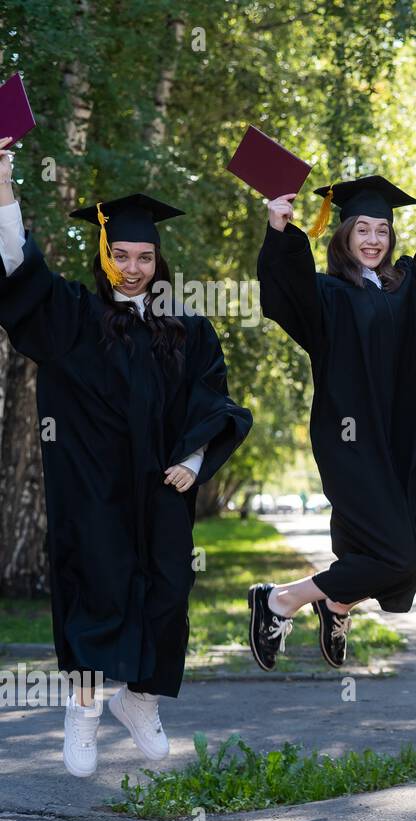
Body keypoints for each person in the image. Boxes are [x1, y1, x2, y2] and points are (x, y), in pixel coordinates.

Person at [0, 139, 252, 777]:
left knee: (169, 590)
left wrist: (195, 459)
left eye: (144, 255)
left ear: (158, 257)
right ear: (104, 256)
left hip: (162, 489)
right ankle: (84, 707)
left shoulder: (186, 328)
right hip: (95, 490)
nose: (133, 267)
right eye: (121, 255)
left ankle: (139, 701)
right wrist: (2, 177)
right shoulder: (78, 319)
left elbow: (213, 397)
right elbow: (16, 268)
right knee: (101, 587)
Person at [246, 124, 416, 671]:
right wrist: (278, 224)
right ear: (341, 235)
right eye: (361, 228)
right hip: (350, 440)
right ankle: (281, 600)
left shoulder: (407, 288)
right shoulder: (326, 295)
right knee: (393, 554)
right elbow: (284, 289)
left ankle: (336, 601)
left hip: (404, 440)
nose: (373, 239)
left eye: (381, 229)